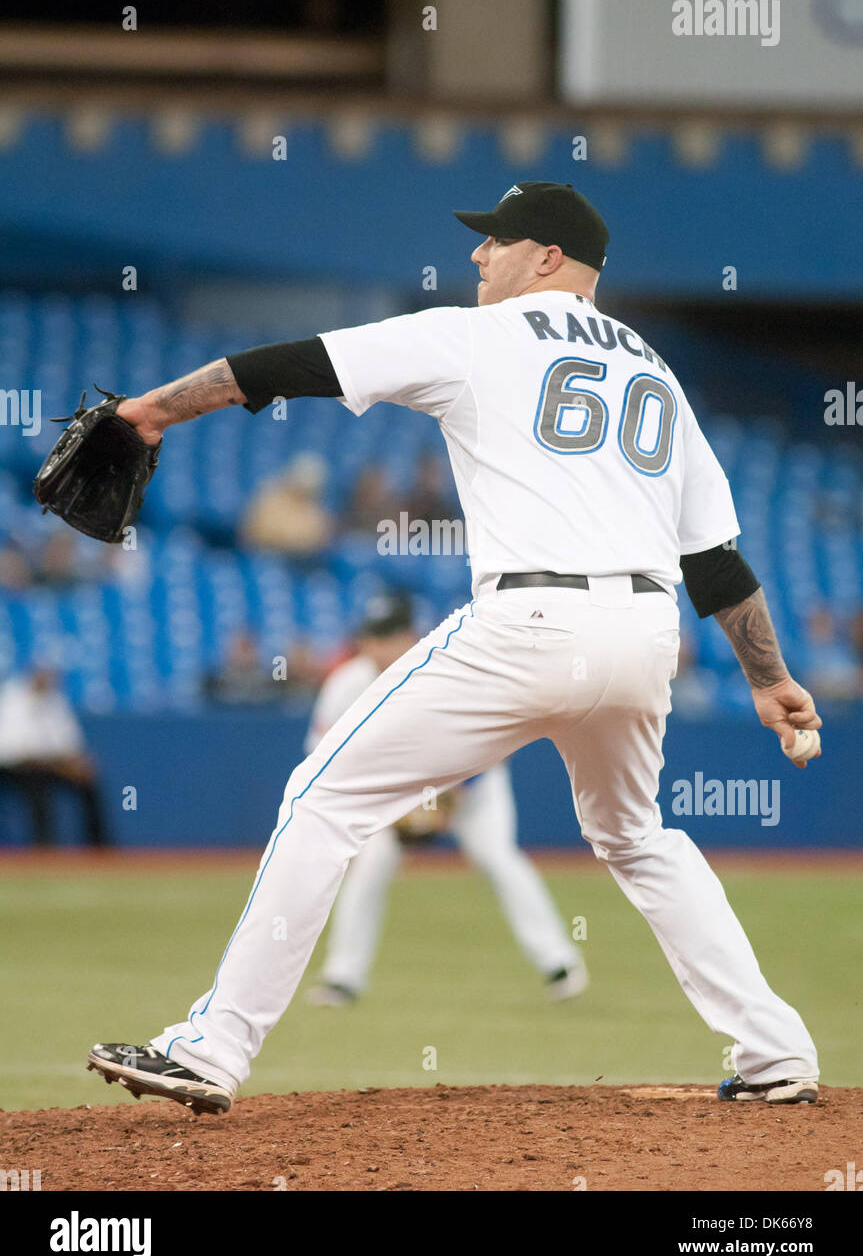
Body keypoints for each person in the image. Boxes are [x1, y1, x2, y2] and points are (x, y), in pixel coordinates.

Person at [88, 181, 821, 1114]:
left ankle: (212, 1048)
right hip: (646, 637)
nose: (479, 255)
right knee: (637, 836)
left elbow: (290, 365)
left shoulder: (477, 337)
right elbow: (714, 557)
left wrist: (151, 409)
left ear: (546, 258)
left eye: (497, 240)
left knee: (320, 797)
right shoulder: (653, 370)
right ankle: (773, 1051)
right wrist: (770, 679)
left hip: (529, 624)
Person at [304, 591, 587, 1006]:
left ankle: (559, 961)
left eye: (387, 636)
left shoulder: (446, 668)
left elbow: (497, 739)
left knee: (498, 857)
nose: (376, 646)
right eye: (370, 636)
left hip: (473, 788)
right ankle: (343, 978)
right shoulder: (347, 683)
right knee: (370, 867)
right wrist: (392, 806)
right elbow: (323, 755)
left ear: (408, 636)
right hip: (394, 796)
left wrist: (445, 802)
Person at [0, 667, 108, 846]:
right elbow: (17, 748)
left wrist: (76, 762)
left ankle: (99, 846)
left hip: (50, 765)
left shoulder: (55, 700)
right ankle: (45, 847)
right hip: (14, 767)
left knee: (88, 782)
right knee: (35, 782)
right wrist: (55, 763)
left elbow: (68, 741)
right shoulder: (12, 698)